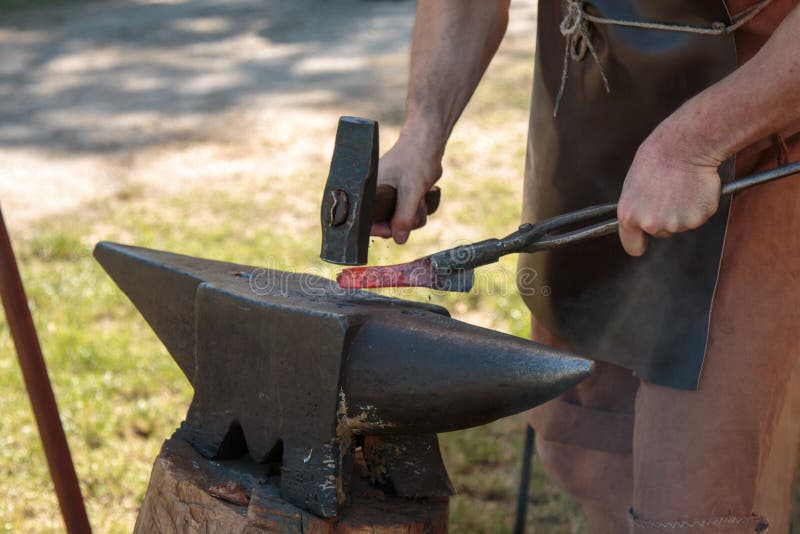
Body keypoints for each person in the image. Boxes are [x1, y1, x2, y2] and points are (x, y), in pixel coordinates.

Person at [371, 0, 800, 532]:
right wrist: (422, 128)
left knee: (696, 507)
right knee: (585, 447)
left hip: (748, 140)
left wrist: (693, 144)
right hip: (586, 120)